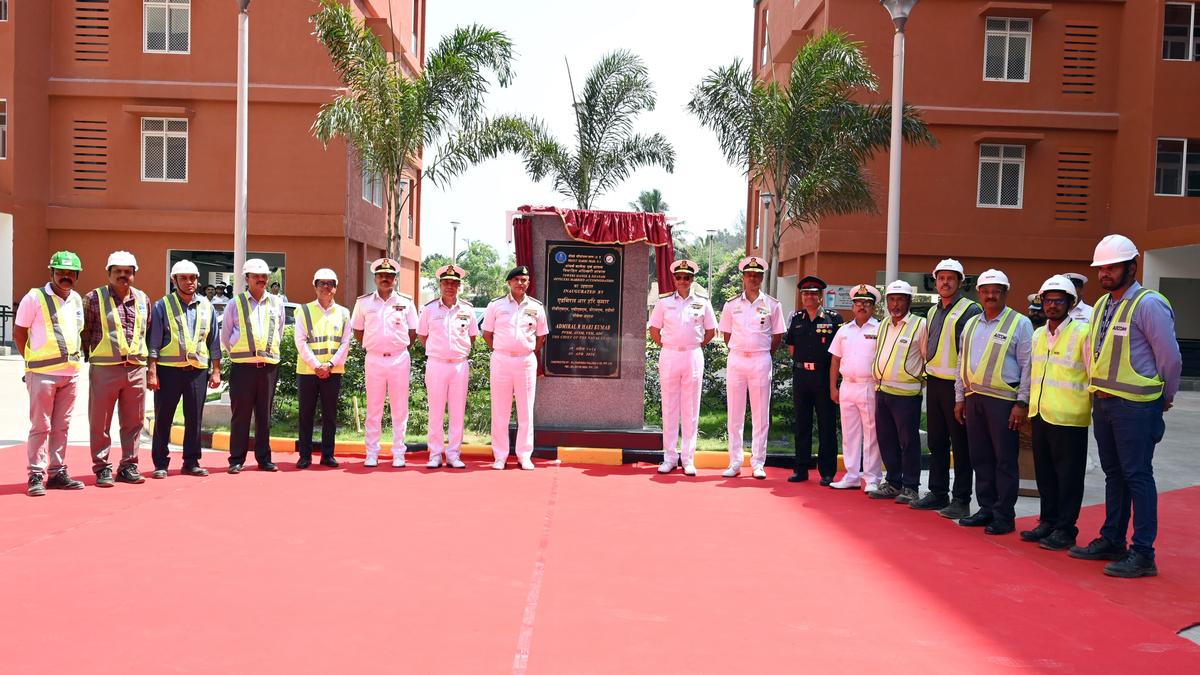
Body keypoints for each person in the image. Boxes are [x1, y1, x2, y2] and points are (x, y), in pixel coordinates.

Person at [1069, 235, 1181, 578]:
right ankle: (1113, 539)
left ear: (1132, 267)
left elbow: (1171, 358)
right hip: (1104, 403)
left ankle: (1143, 553)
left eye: (1112, 267)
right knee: (1114, 475)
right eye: (1101, 268)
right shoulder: (1103, 305)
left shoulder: (1149, 304)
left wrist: (1166, 396)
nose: (1105, 273)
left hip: (1136, 406)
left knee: (1137, 476)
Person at [953, 268, 1033, 536]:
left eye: (996, 291)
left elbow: (1028, 366)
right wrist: (960, 398)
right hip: (974, 399)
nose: (990, 295)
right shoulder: (972, 323)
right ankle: (986, 507)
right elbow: (961, 363)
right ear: (979, 293)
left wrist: (1022, 403)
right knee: (981, 457)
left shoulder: (1019, 323)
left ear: (1005, 293)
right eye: (986, 291)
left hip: (1003, 402)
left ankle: (1004, 514)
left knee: (1004, 460)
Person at [1021, 275, 1091, 552]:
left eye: (1058, 301)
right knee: (1046, 475)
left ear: (1070, 303)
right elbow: (1031, 373)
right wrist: (1026, 406)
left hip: (1070, 418)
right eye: (1048, 301)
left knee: (1069, 477)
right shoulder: (1039, 335)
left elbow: (1093, 374)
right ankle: (1048, 521)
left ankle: (1066, 528)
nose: (1052, 306)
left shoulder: (1083, 334)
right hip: (1041, 414)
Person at [15, 251, 87, 496]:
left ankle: (57, 472)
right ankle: (36, 473)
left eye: (70, 273)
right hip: (42, 373)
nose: (65, 277)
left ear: (77, 275)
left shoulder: (76, 299)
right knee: (40, 426)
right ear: (51, 273)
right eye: (60, 272)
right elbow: (19, 332)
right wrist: (31, 362)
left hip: (70, 374)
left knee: (61, 426)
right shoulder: (34, 298)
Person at [917, 259, 981, 517]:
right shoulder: (932, 312)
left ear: (960, 282)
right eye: (941, 278)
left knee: (961, 444)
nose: (945, 282)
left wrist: (962, 393)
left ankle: (961, 498)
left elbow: (970, 352)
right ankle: (938, 492)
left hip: (957, 386)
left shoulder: (970, 310)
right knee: (937, 441)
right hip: (934, 383)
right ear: (935, 281)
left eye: (950, 278)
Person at [82, 250, 151, 487]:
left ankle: (128, 466)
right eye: (118, 272)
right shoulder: (93, 298)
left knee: (134, 421)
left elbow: (147, 331)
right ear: (108, 274)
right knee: (100, 421)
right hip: (105, 368)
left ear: (134, 274)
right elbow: (85, 332)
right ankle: (101, 467)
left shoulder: (143, 299)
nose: (123, 276)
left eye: (128, 272)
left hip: (135, 369)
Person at [147, 260, 221, 478]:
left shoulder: (207, 306)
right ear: (174, 280)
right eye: (184, 278)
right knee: (163, 418)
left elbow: (214, 342)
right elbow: (154, 343)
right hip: (168, 371)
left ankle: (191, 461)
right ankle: (160, 463)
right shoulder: (163, 305)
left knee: (194, 418)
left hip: (197, 371)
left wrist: (216, 370)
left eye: (193, 278)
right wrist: (152, 371)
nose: (189, 282)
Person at [718, 256, 786, 479]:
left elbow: (777, 335)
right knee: (735, 414)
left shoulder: (773, 305)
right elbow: (727, 335)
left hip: (760, 359)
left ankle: (758, 462)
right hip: (737, 359)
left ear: (762, 278)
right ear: (743, 278)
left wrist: (764, 351)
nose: (753, 278)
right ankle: (735, 461)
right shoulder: (731, 304)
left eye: (757, 275)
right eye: (749, 275)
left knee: (760, 414)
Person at [648, 259, 717, 476]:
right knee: (669, 407)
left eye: (687, 277)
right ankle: (669, 457)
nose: (683, 281)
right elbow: (654, 330)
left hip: (692, 355)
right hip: (669, 354)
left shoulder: (703, 303)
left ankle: (688, 458)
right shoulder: (663, 303)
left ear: (692, 279)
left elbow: (710, 331)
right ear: (674, 279)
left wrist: (692, 344)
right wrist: (669, 345)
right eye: (679, 277)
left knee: (691, 408)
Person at [351, 258, 418, 468]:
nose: (385, 279)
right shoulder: (364, 302)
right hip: (374, 359)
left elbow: (413, 332)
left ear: (395, 279)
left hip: (399, 358)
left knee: (400, 408)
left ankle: (399, 453)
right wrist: (375, 346)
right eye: (381, 276)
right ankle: (372, 452)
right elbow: (358, 330)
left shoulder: (406, 302)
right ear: (375, 278)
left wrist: (397, 347)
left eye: (389, 276)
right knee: (374, 408)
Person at [221, 258, 286, 473]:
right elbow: (226, 335)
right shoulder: (235, 304)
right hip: (243, 368)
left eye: (264, 276)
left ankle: (264, 458)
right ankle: (236, 459)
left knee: (264, 414)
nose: (261, 279)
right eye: (256, 276)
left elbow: (280, 331)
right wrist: (242, 354)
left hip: (268, 367)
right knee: (240, 414)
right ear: (246, 278)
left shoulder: (277, 303)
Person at [483, 266, 548, 470]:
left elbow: (541, 337)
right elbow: (487, 334)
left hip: (526, 361)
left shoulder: (537, 307)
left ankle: (524, 455)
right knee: (500, 409)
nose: (521, 283)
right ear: (509, 282)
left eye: (525, 280)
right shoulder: (496, 305)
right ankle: (500, 456)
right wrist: (503, 349)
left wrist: (524, 351)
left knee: (526, 410)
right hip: (501, 360)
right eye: (517, 280)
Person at [869, 280, 928, 503]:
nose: (895, 304)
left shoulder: (920, 325)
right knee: (886, 439)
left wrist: (919, 381)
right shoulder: (884, 324)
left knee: (908, 441)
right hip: (882, 391)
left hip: (906, 395)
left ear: (909, 301)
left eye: (900, 299)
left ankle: (911, 486)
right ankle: (893, 482)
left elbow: (926, 358)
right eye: (892, 299)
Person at [783, 275, 843, 484]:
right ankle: (801, 469)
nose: (809, 296)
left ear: (821, 296)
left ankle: (827, 472)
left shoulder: (833, 319)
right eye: (805, 293)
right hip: (801, 376)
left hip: (824, 376)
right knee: (802, 424)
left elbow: (838, 352)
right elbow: (791, 348)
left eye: (813, 293)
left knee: (826, 425)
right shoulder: (797, 319)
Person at [418, 264, 478, 469]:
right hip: (436, 364)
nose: (450, 286)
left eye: (454, 283)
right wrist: (439, 352)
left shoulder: (467, 310)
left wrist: (455, 353)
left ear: (459, 286)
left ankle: (453, 454)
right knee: (435, 411)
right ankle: (435, 454)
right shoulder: (429, 309)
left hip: (459, 366)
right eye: (446, 283)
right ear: (440, 285)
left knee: (457, 411)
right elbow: (422, 335)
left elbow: (472, 336)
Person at [827, 284, 883, 491]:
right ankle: (851, 475)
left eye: (867, 303)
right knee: (849, 434)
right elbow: (835, 360)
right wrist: (833, 387)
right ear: (853, 306)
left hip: (869, 385)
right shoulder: (844, 331)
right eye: (858, 303)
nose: (862, 306)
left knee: (871, 434)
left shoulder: (880, 329)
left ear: (873, 307)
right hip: (847, 386)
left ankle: (871, 478)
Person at [294, 268, 351, 469]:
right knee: (306, 415)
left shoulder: (344, 313)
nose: (326, 287)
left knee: (330, 415)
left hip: (333, 371)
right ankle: (305, 456)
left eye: (330, 283)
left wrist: (330, 364)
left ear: (335, 288)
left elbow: (345, 343)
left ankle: (328, 455)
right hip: (308, 372)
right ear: (315, 286)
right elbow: (300, 341)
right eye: (321, 283)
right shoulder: (304, 310)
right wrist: (317, 365)